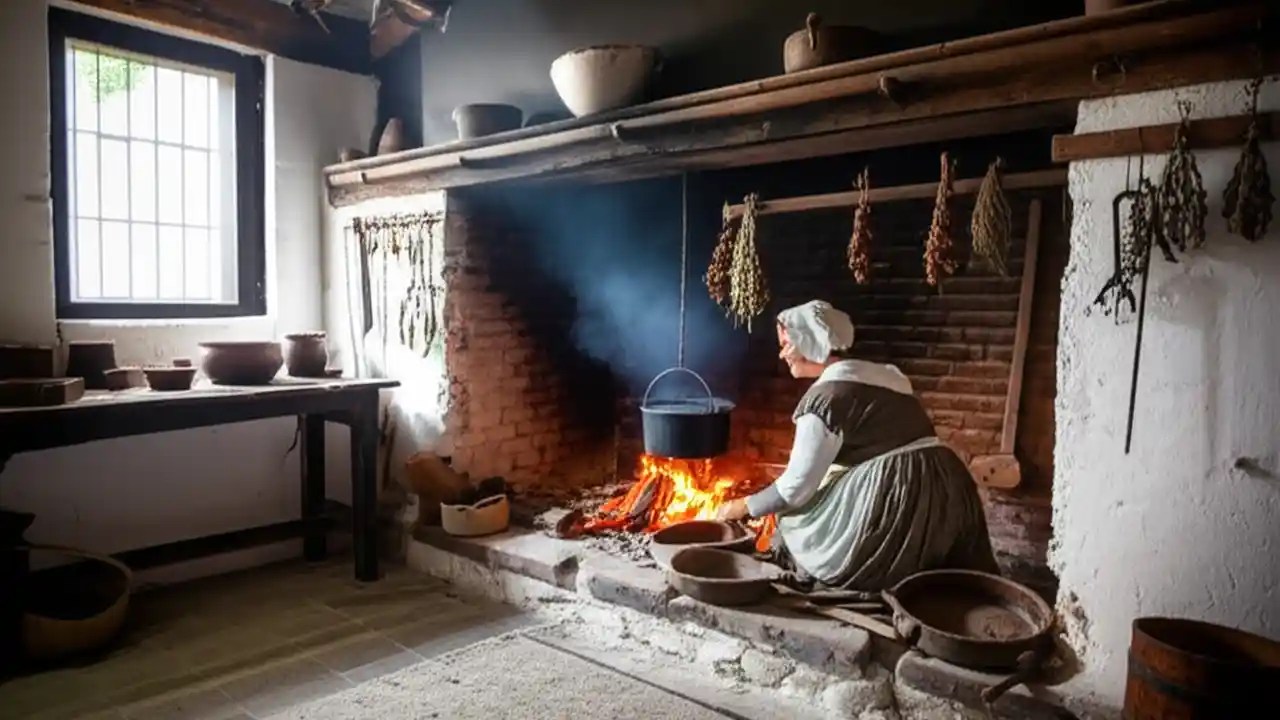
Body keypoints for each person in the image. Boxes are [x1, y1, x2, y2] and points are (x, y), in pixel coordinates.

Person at [717, 299, 998, 594]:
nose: (782, 354)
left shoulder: (825, 399)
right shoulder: (889, 378)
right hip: (947, 481)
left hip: (900, 494)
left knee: (793, 519)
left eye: (787, 344)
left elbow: (795, 488)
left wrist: (743, 506)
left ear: (811, 342)